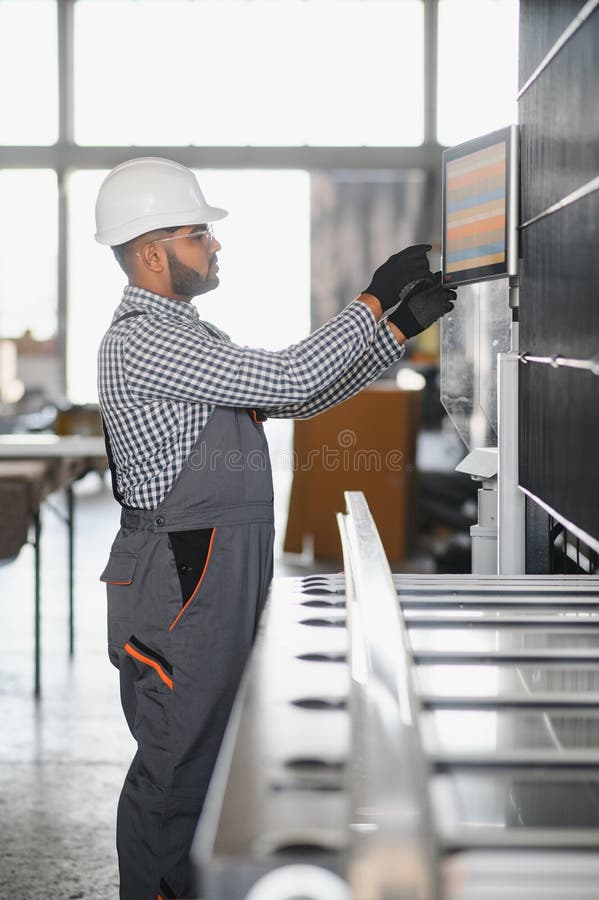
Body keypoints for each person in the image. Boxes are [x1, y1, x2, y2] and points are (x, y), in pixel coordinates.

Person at [95, 156, 456, 900]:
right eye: (199, 236)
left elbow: (297, 397)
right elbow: (290, 378)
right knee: (178, 769)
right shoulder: (144, 339)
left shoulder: (191, 335)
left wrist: (396, 331)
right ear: (151, 253)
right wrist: (369, 301)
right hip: (179, 579)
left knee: (204, 754)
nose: (215, 247)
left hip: (205, 570)